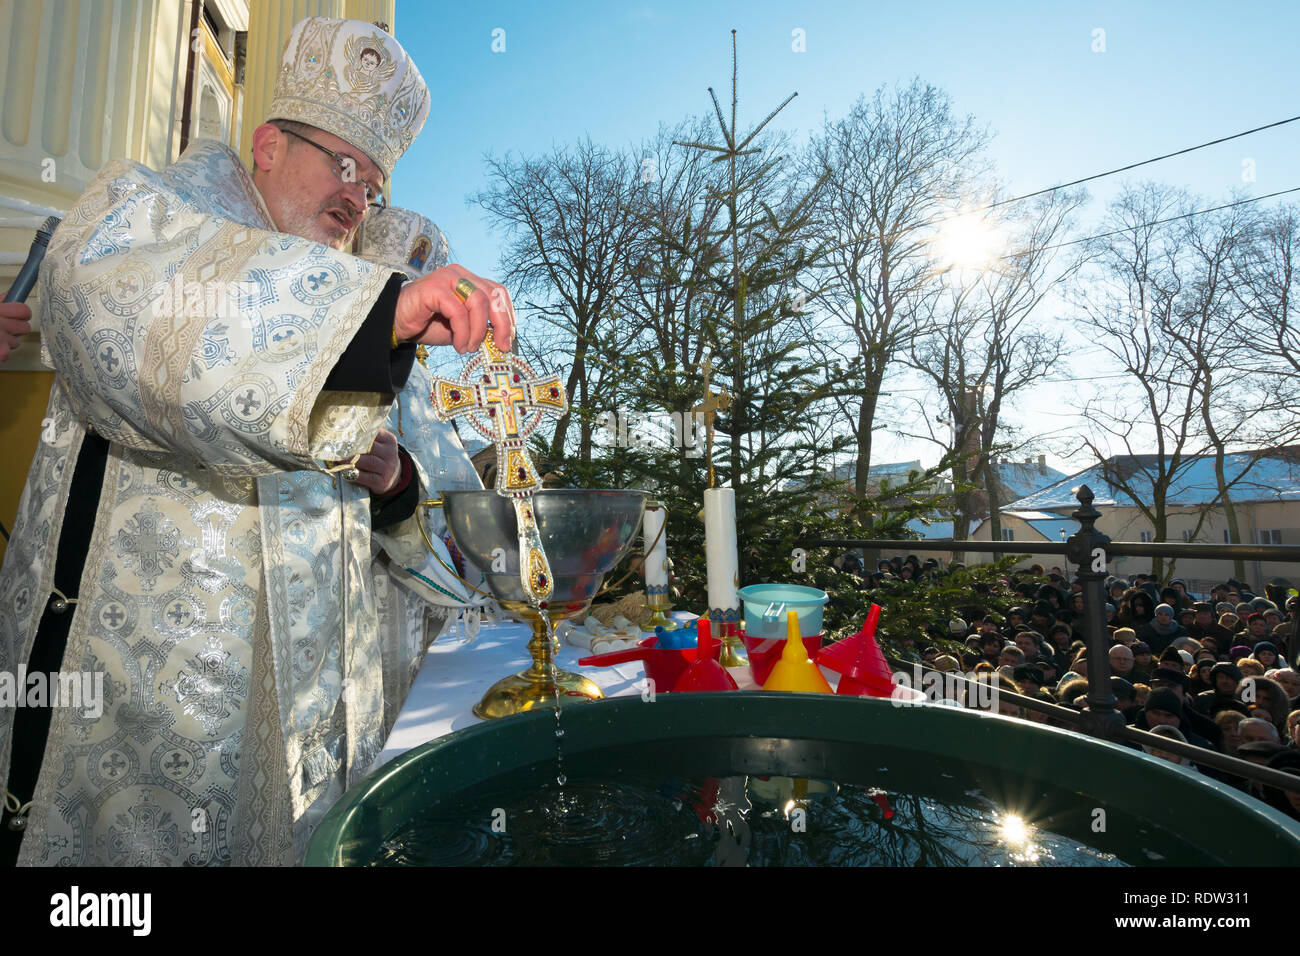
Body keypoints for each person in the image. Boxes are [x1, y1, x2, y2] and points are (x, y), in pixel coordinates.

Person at [0, 17, 515, 866]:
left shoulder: (352, 303)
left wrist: (392, 489)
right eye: (342, 164)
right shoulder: (146, 217)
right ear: (267, 146)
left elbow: (442, 541)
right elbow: (107, 303)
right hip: (157, 749)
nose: (358, 198)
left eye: (374, 185)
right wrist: (374, 318)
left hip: (307, 753)